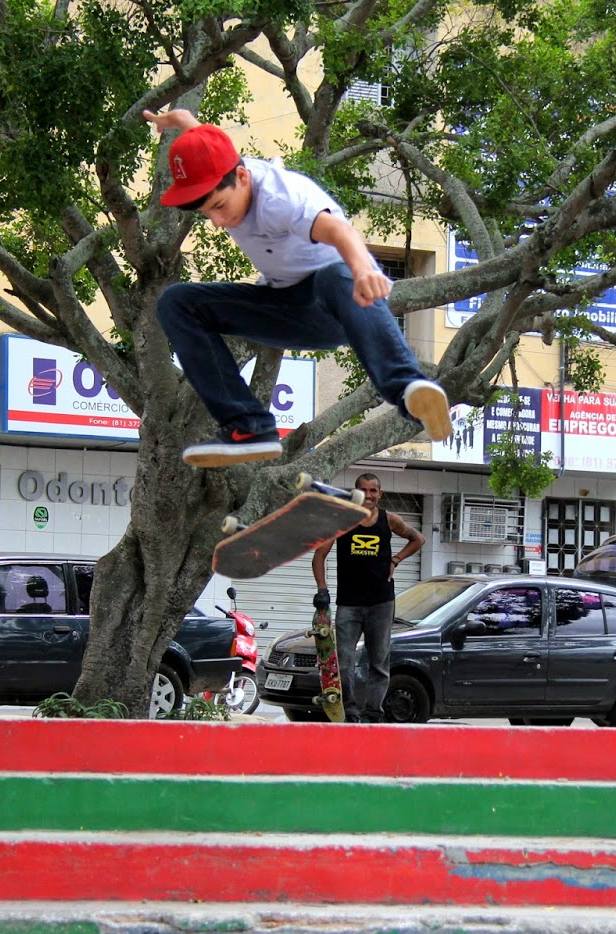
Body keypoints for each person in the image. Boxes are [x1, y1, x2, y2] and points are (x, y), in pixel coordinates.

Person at [145, 109, 453, 467]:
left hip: (338, 303)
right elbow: (211, 148)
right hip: (284, 307)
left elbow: (340, 232)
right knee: (176, 302)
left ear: (243, 177)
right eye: (206, 212)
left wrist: (362, 270)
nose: (216, 221)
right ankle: (248, 427)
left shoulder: (281, 198)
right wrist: (186, 124)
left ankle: (408, 389)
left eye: (219, 207)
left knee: (334, 274)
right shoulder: (227, 172)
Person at [310, 473, 424, 723]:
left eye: (374, 491)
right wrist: (322, 590)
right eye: (364, 490)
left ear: (380, 494)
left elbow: (418, 539)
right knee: (344, 662)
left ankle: (373, 712)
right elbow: (319, 556)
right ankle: (349, 710)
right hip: (349, 604)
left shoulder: (390, 520)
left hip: (381, 602)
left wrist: (396, 560)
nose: (369, 495)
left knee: (379, 661)